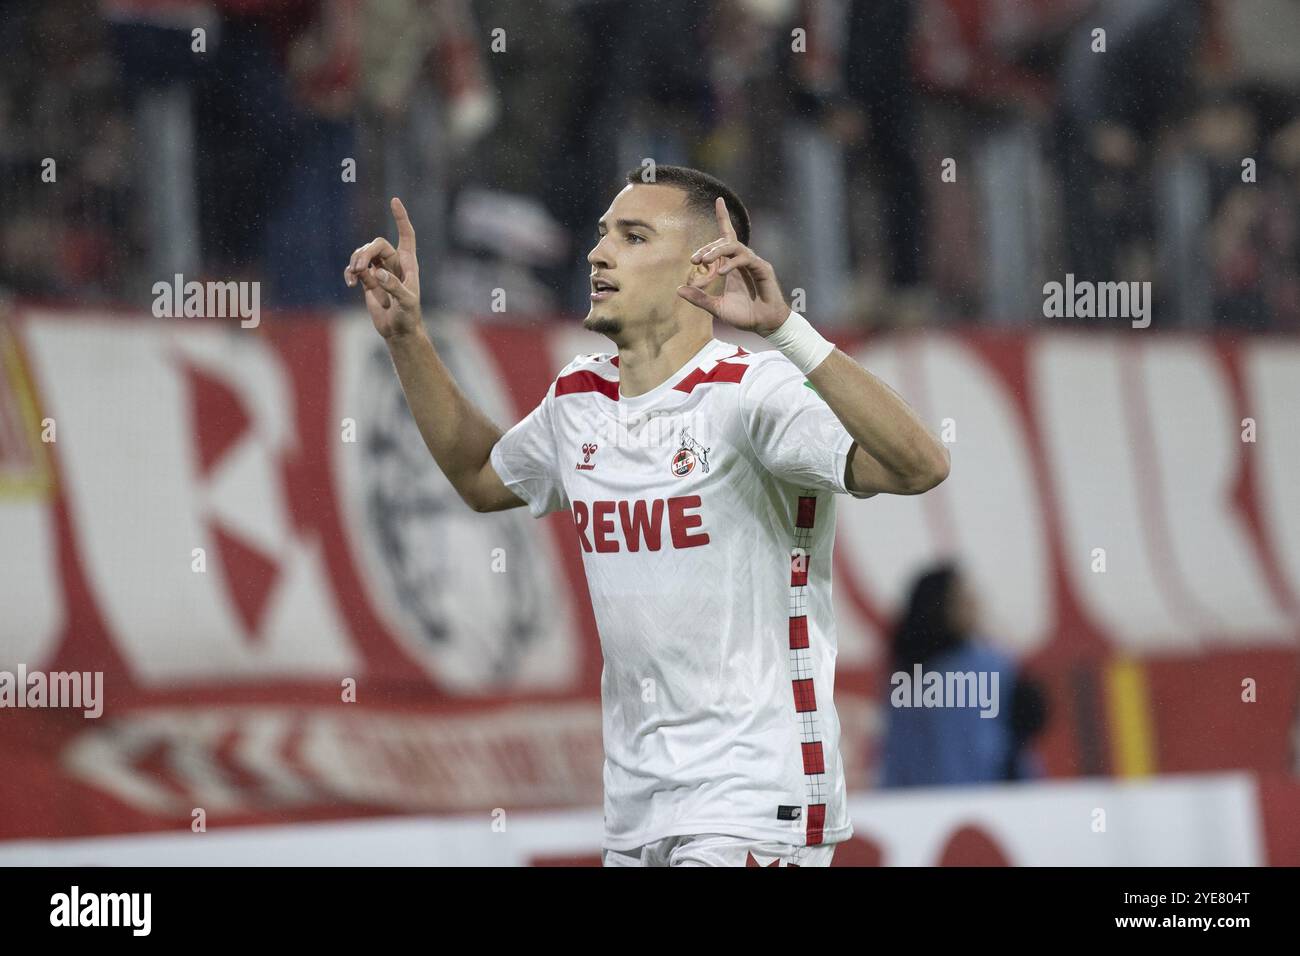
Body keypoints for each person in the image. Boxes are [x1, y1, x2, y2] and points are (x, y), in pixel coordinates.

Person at [343, 166, 949, 867]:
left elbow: (921, 465)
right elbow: (481, 477)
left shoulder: (754, 393)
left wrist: (788, 330)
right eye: (603, 234)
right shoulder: (579, 397)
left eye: (633, 237)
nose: (598, 253)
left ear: (705, 266)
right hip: (637, 808)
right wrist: (408, 338)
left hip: (753, 798)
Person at [879, 563, 1049, 788]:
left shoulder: (905, 675)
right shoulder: (984, 665)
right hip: (982, 799)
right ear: (938, 608)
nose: (975, 604)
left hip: (930, 802)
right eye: (962, 599)